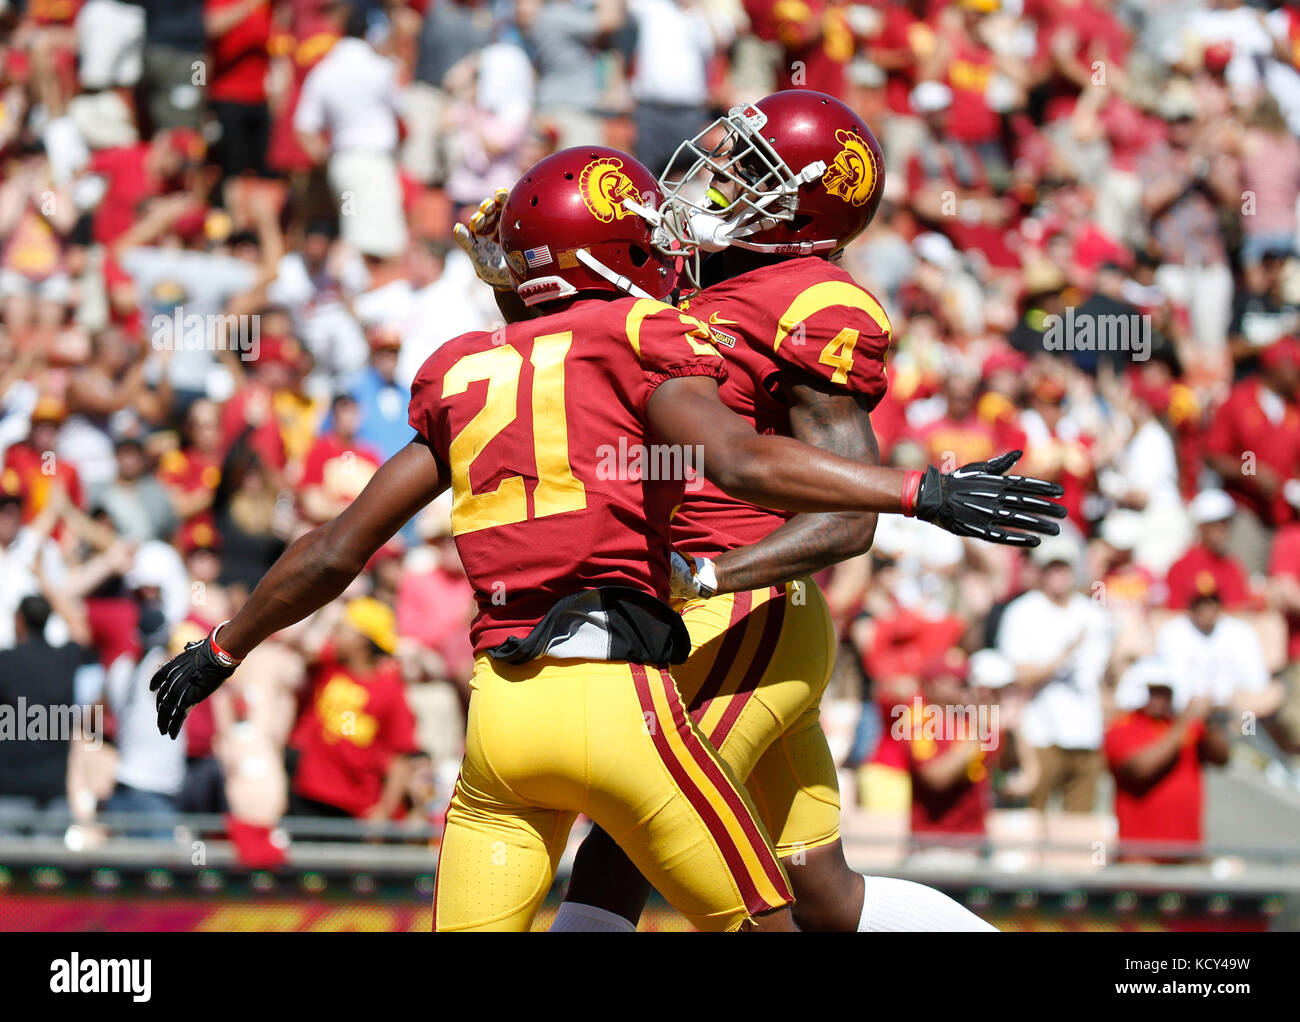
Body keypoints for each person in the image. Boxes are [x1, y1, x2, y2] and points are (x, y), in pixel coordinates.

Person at [149, 145, 1066, 932]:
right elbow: (743, 461)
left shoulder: (466, 370)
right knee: (781, 909)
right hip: (623, 697)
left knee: (763, 887)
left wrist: (222, 647)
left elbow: (334, 549)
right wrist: (922, 488)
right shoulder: (640, 335)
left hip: (500, 720)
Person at [485, 92, 1034, 932]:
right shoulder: (702, 277)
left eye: (749, 169)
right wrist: (523, 266)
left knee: (642, 815)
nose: (715, 179)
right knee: (822, 891)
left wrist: (711, 576)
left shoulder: (813, 304)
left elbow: (848, 519)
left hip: (747, 611)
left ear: (806, 206)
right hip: (697, 609)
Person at [1105, 659, 1230, 861]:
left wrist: (1209, 721)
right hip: (1140, 855)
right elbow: (1139, 769)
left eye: (1164, 692)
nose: (1158, 699)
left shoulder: (1181, 724)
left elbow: (1222, 758)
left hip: (1187, 852)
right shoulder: (1123, 726)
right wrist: (1183, 725)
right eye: (1152, 692)